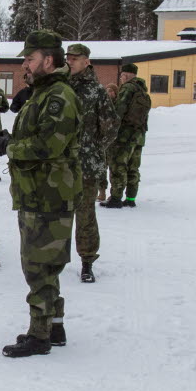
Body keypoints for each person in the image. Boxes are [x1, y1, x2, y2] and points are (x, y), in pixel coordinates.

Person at [3, 30, 81, 358]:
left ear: (48, 60)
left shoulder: (58, 95)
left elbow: (50, 144)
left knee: (38, 266)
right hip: (41, 191)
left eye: (30, 58)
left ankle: (39, 335)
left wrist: (9, 146)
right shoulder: (44, 92)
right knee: (47, 265)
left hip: (48, 195)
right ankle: (55, 326)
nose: (25, 64)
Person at [64, 43, 113, 283]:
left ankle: (87, 261)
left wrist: (93, 150)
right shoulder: (60, 86)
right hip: (60, 164)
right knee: (58, 214)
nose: (70, 61)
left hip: (86, 166)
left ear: (87, 61)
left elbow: (110, 127)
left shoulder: (97, 91)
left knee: (85, 215)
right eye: (68, 57)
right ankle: (55, 259)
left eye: (75, 58)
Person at [106, 63, 151, 207]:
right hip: (139, 136)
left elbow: (119, 111)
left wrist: (111, 131)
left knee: (118, 165)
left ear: (124, 75)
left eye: (121, 76)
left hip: (124, 136)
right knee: (133, 167)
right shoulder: (143, 90)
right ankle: (131, 199)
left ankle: (116, 198)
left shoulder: (127, 88)